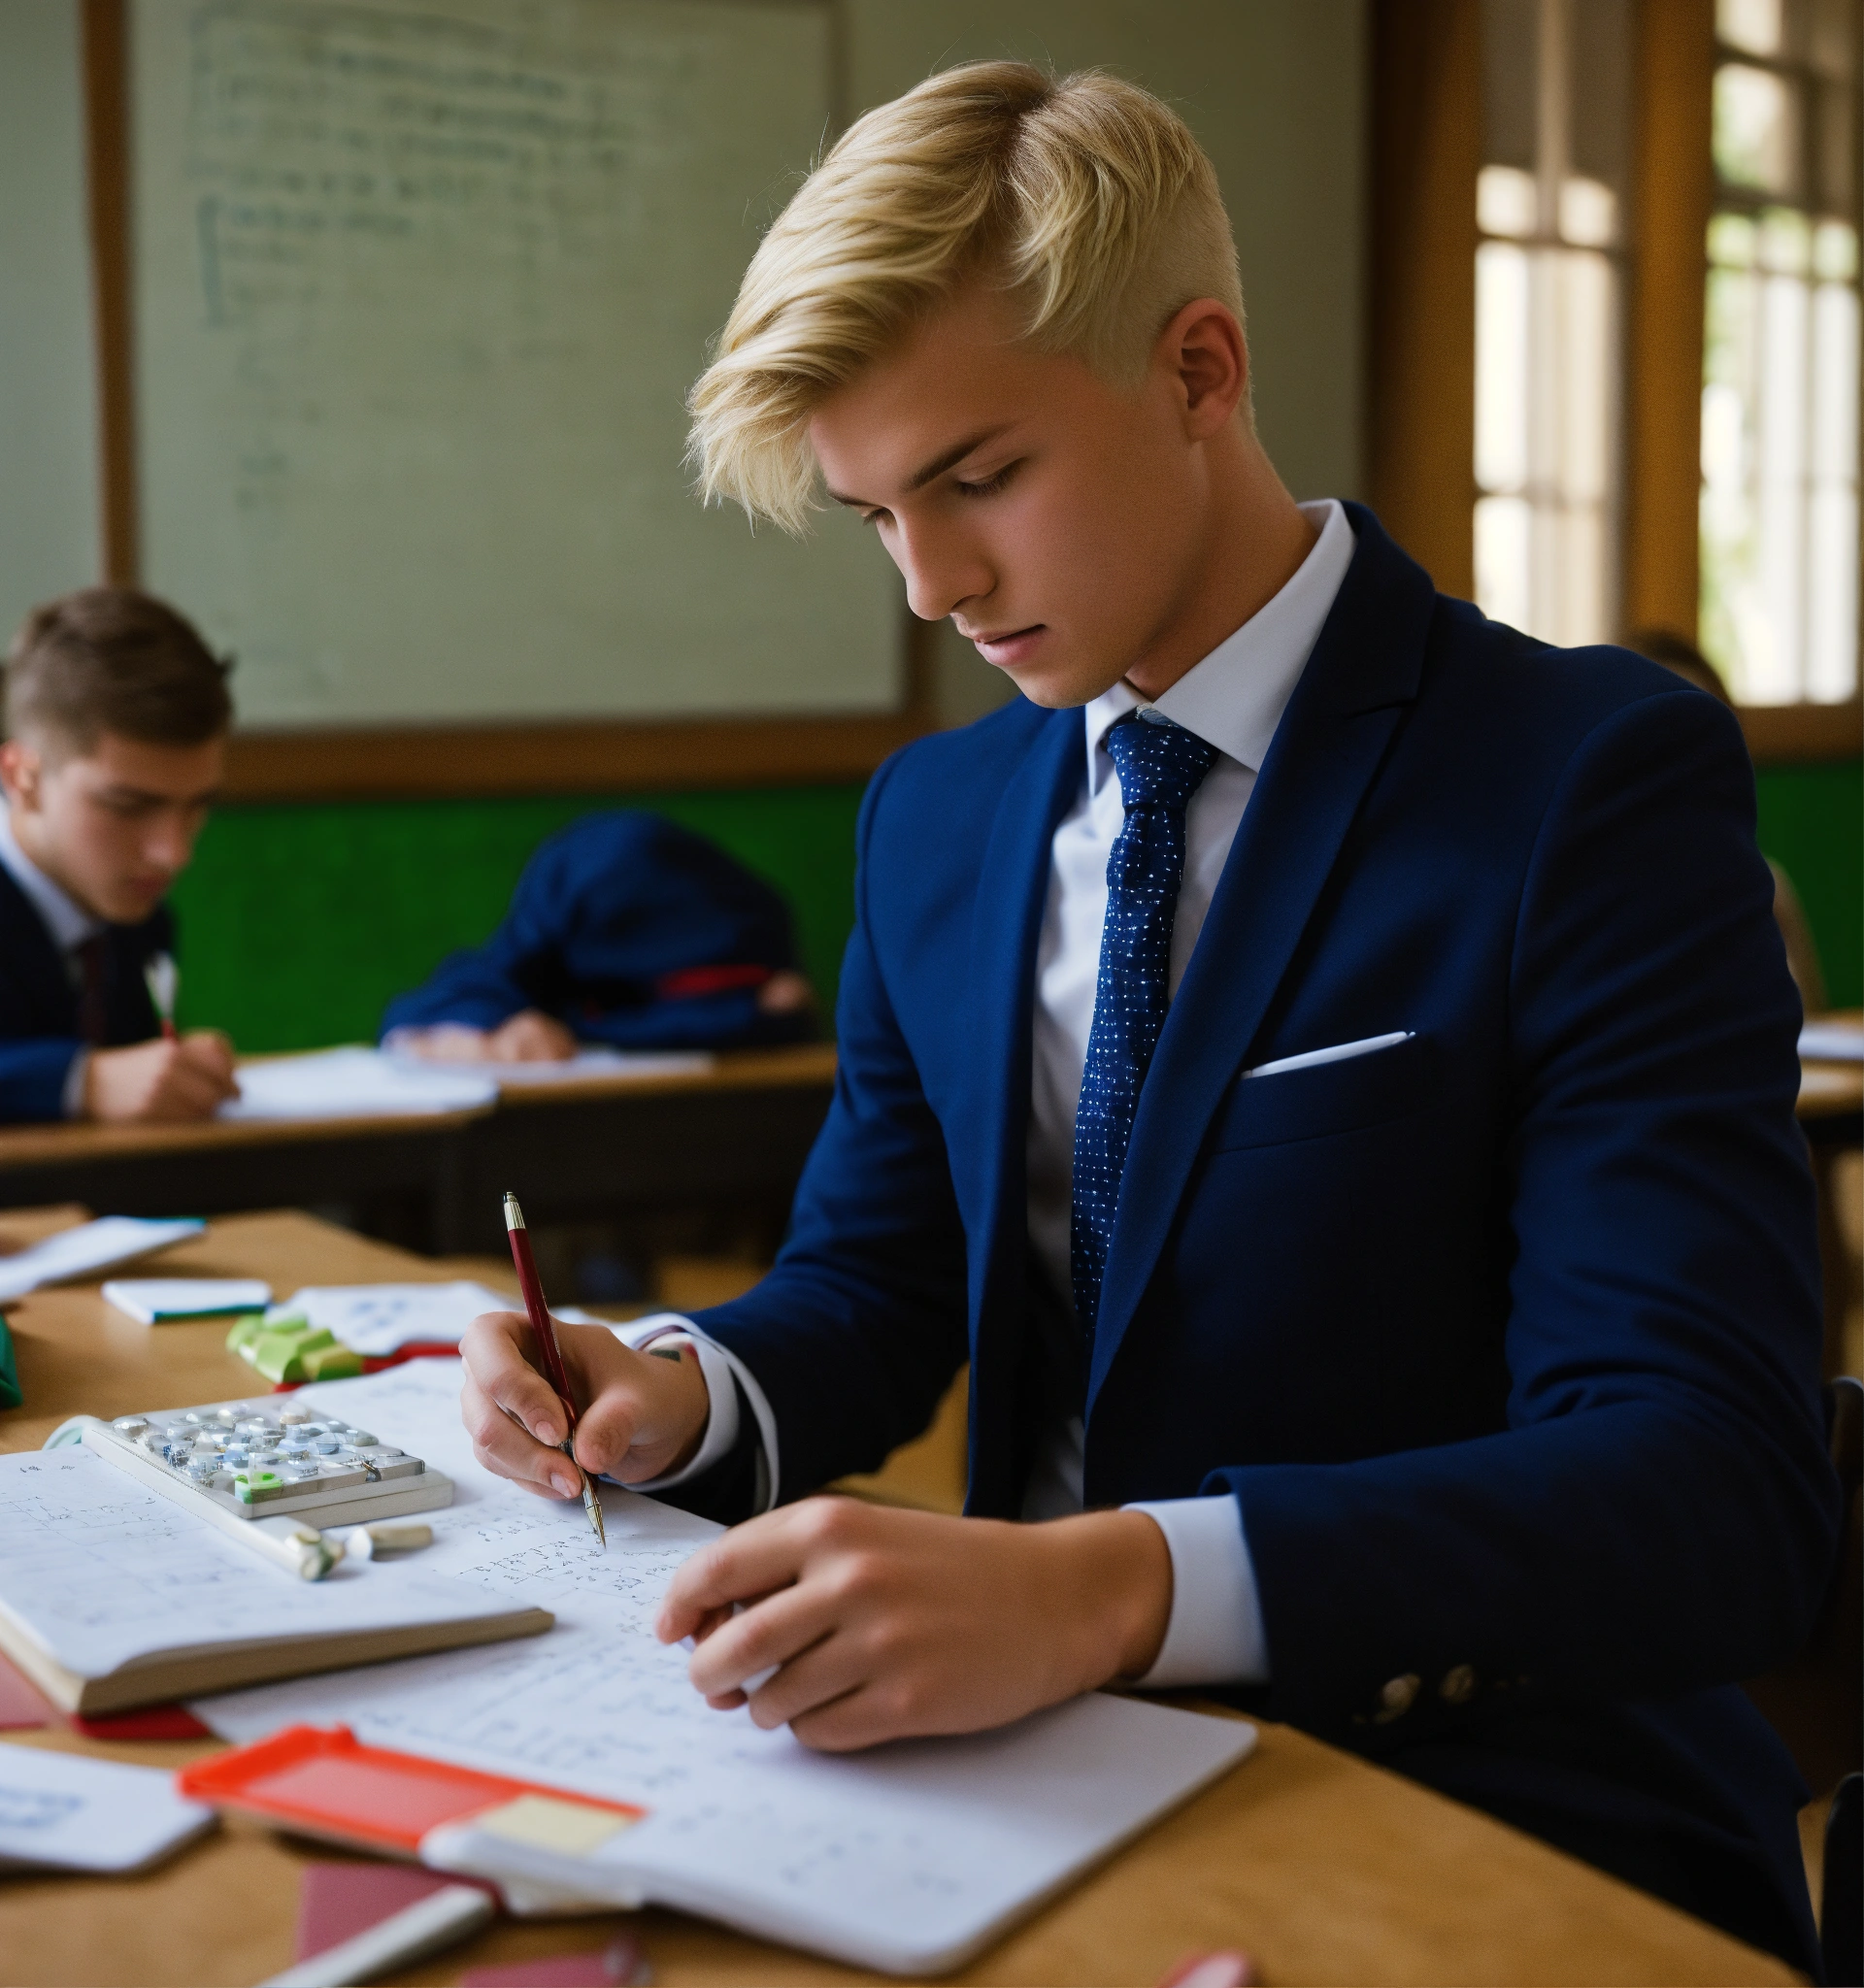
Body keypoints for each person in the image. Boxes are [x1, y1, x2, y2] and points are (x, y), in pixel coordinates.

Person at [459, 64, 1840, 1971]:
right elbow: (874, 1284)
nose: (935, 583)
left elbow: (1714, 1487)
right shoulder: (936, 820)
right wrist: (678, 1388)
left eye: (979, 477)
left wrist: (1105, 1591)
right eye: (875, 516)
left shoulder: (1585, 781)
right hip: (986, 1780)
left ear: (1200, 369)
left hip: (1472, 1797)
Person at [0, 588, 238, 1123]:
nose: (173, 853)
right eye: (128, 806)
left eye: (197, 806)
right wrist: (79, 1081)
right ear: (22, 779)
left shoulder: (138, 920)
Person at [381, 812, 815, 1064]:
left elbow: (771, 1014)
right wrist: (475, 1038)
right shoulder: (564, 917)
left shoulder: (734, 922)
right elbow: (428, 1007)